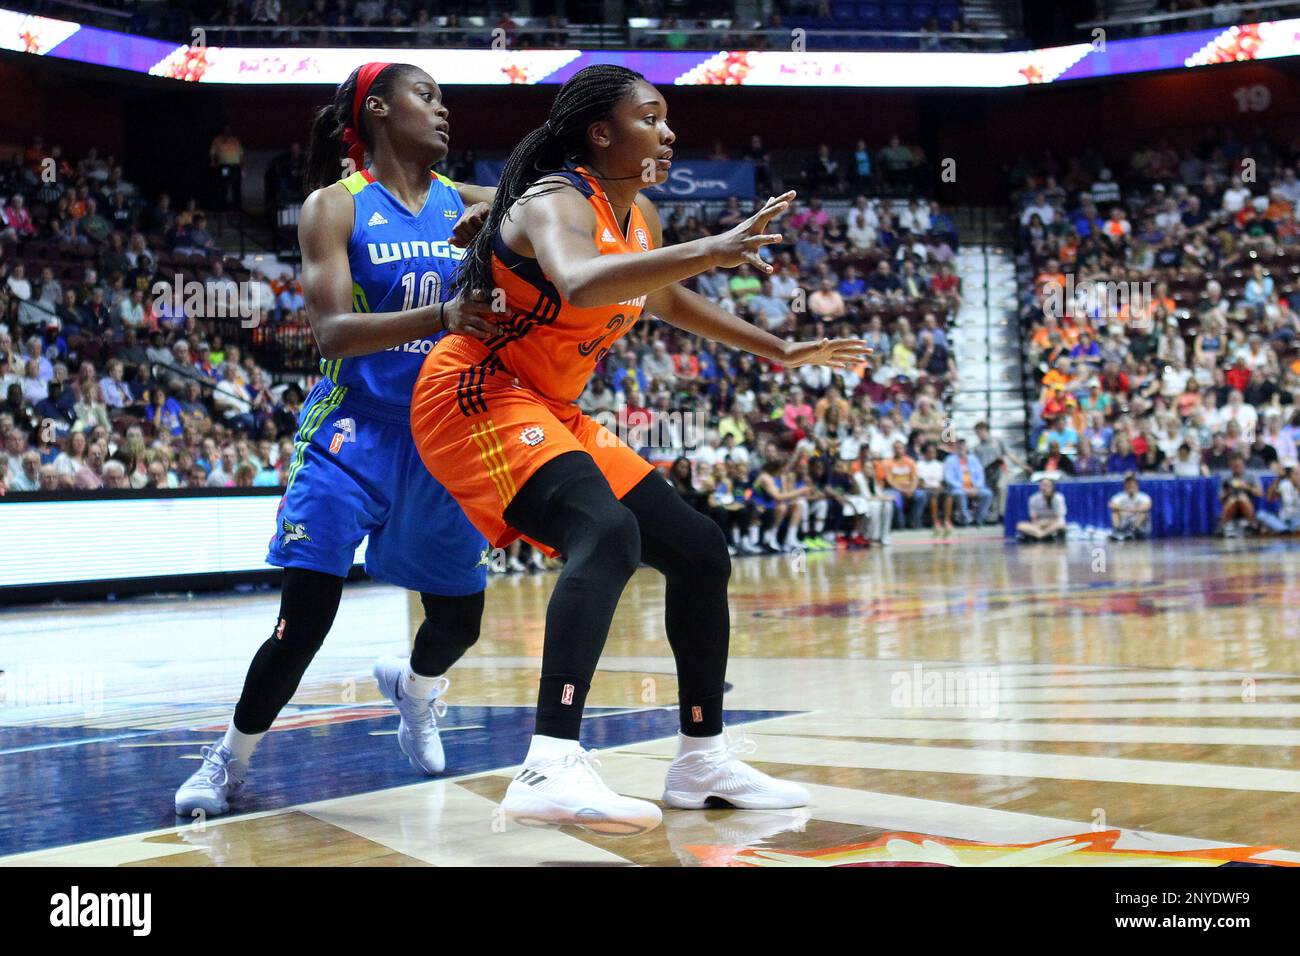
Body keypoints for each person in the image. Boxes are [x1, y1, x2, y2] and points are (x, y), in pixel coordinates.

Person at [410, 65, 868, 833]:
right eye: (651, 118)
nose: (669, 131)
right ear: (601, 133)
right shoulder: (556, 201)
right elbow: (584, 282)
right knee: (608, 533)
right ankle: (549, 762)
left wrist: (779, 351)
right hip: (473, 394)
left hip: (550, 405)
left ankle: (700, 758)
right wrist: (712, 247)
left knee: (698, 549)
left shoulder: (641, 214)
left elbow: (661, 296)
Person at [175, 62, 501, 818]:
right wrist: (443, 317)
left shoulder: (463, 202)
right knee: (304, 619)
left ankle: (416, 690)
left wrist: (515, 211)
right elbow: (331, 332)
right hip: (352, 431)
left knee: (460, 620)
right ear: (379, 110)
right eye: (428, 97)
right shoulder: (335, 205)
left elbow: (557, 203)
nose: (444, 112)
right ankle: (229, 760)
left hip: (441, 433)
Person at [942, 438, 993, 527]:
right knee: (958, 493)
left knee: (988, 494)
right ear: (956, 447)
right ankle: (966, 519)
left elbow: (980, 474)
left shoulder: (973, 459)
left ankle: (979, 519)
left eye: (963, 445)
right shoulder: (950, 460)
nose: (961, 448)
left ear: (966, 447)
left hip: (974, 487)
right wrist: (962, 487)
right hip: (959, 488)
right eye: (959, 445)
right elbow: (948, 477)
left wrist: (977, 487)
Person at [1218, 453, 1262, 537]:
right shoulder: (1226, 477)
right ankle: (1224, 525)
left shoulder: (1251, 476)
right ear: (1230, 466)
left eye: (1238, 466)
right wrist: (1229, 491)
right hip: (1230, 505)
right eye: (1233, 466)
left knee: (1242, 498)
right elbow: (1220, 497)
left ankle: (1251, 524)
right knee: (1233, 499)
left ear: (1243, 465)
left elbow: (1260, 493)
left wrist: (1246, 486)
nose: (1236, 468)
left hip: (1248, 505)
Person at [1258, 464, 1300, 535]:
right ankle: (1285, 529)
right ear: (1290, 475)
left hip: (1298, 519)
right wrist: (1278, 478)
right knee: (1261, 515)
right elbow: (1269, 499)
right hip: (1283, 520)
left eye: (1299, 474)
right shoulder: (1284, 484)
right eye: (1296, 474)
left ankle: (1284, 530)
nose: (1298, 476)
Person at [1108, 474, 1152, 540]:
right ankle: (1117, 530)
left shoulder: (1143, 496)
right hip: (1125, 521)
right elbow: (1111, 505)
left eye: (1132, 484)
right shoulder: (1120, 496)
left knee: (1144, 512)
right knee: (1114, 512)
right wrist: (1124, 509)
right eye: (1128, 484)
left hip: (1138, 523)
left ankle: (1134, 530)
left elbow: (1147, 506)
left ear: (1136, 485)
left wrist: (1133, 510)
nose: (1130, 486)